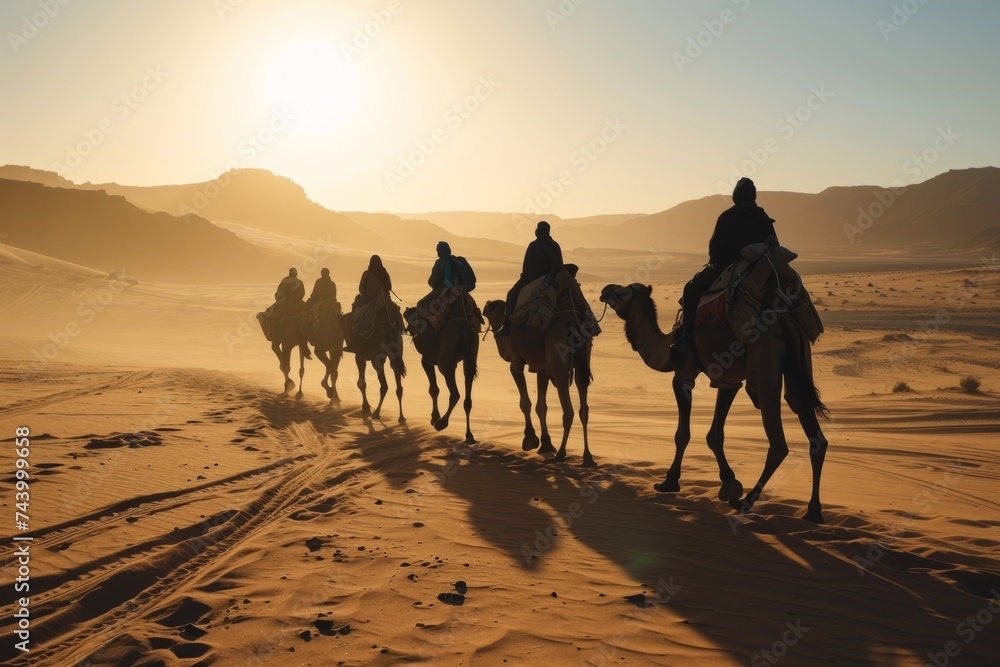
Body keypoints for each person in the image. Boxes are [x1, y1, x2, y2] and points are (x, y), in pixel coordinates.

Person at [672, 177, 778, 358]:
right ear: (753, 197)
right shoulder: (764, 219)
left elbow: (715, 250)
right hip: (762, 266)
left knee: (690, 289)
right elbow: (774, 246)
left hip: (729, 265)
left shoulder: (728, 217)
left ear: (736, 197)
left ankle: (687, 339)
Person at [495, 220, 563, 336]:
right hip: (553, 278)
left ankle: (507, 326)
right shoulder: (555, 245)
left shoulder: (534, 245)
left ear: (537, 231)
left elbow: (527, 267)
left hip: (533, 278)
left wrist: (525, 278)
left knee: (511, 294)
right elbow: (560, 264)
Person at [273, 267, 312, 359]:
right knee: (307, 318)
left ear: (290, 273)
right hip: (298, 304)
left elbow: (279, 292)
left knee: (274, 315)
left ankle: (276, 334)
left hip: (286, 303)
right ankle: (306, 339)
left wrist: (282, 299)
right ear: (296, 274)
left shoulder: (285, 280)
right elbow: (302, 293)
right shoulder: (299, 282)